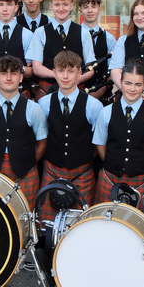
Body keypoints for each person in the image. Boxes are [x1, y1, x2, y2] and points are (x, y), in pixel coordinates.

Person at [38, 51, 104, 223]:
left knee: (81, 225)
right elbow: (41, 137)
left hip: (82, 172)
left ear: (79, 73)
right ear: (54, 72)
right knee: (47, 226)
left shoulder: (94, 106)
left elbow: (99, 143)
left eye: (71, 71)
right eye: (61, 71)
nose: (65, 76)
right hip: (52, 171)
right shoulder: (44, 103)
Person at [92, 59, 144, 205]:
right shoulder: (105, 112)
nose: (132, 89)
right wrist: (113, 164)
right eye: (128, 83)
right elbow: (100, 145)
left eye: (138, 84)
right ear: (120, 82)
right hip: (110, 179)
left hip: (143, 181)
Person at [0, 55, 47, 204]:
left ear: (21, 77)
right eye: (3, 73)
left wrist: (29, 162)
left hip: (26, 172)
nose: (9, 78)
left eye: (14, 73)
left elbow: (42, 142)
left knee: (26, 216)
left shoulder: (35, 109)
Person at [27, 0, 96, 93]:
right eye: (57, 4)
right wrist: (58, 76)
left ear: (72, 6)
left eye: (65, 4)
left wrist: (77, 79)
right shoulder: (40, 32)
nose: (61, 8)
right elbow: (36, 68)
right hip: (48, 89)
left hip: (76, 88)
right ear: (51, 6)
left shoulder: (83, 33)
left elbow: (90, 68)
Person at [78, 0, 115, 99]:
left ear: (100, 10)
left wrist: (100, 92)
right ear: (80, 11)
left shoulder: (109, 38)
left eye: (94, 7)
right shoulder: (74, 35)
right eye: (85, 7)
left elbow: (113, 70)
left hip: (102, 93)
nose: (90, 11)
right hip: (77, 91)